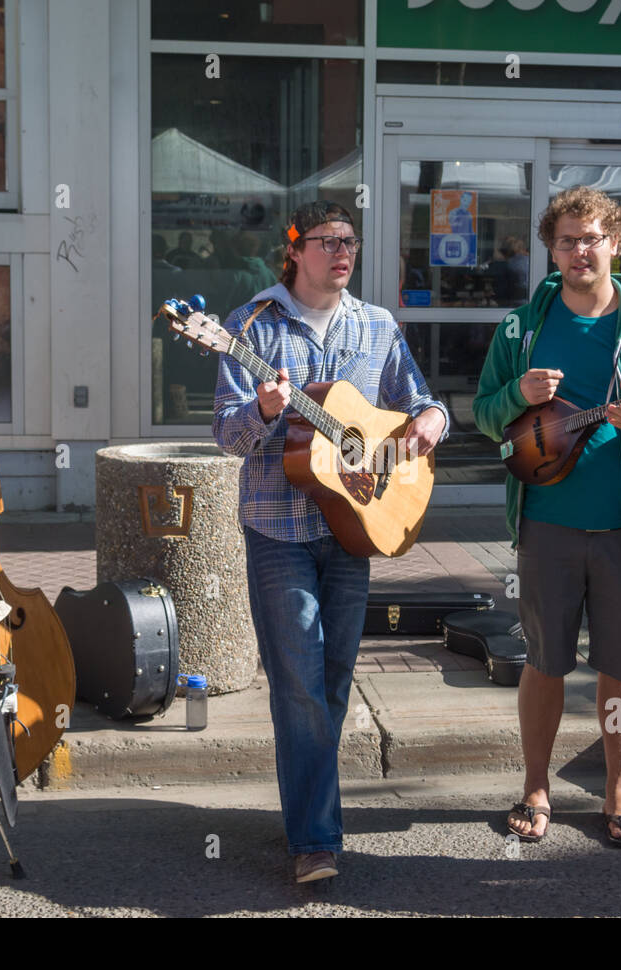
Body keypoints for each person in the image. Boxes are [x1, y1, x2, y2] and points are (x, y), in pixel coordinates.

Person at [213, 200, 447, 883]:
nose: (342, 251)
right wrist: (262, 408)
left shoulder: (377, 325)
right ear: (295, 250)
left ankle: (309, 812)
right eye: (326, 240)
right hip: (278, 531)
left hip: (354, 528)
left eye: (349, 240)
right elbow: (227, 434)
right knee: (300, 687)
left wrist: (432, 418)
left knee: (333, 683)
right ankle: (316, 839)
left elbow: (421, 400)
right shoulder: (248, 326)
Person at [473, 186, 621, 847]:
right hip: (545, 523)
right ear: (551, 246)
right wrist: (517, 392)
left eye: (592, 237)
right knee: (544, 662)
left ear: (617, 243)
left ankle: (619, 791)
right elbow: (486, 418)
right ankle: (536, 786)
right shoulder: (522, 328)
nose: (580, 250)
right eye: (567, 239)